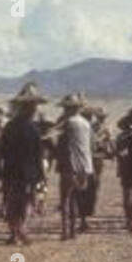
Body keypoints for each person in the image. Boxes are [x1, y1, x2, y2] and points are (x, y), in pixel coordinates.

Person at [0, 83, 47, 245]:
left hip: (11, 171)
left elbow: (2, 151)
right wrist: (42, 175)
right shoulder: (33, 129)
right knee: (25, 202)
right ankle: (21, 231)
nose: (35, 109)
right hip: (28, 173)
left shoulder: (9, 126)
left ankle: (14, 233)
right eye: (33, 106)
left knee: (13, 202)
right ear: (30, 108)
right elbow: (38, 154)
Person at [55, 94, 94, 239]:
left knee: (65, 199)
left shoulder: (66, 123)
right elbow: (90, 145)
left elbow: (62, 144)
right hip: (85, 166)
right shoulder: (86, 123)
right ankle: (72, 230)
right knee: (76, 198)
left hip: (69, 165)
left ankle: (65, 231)